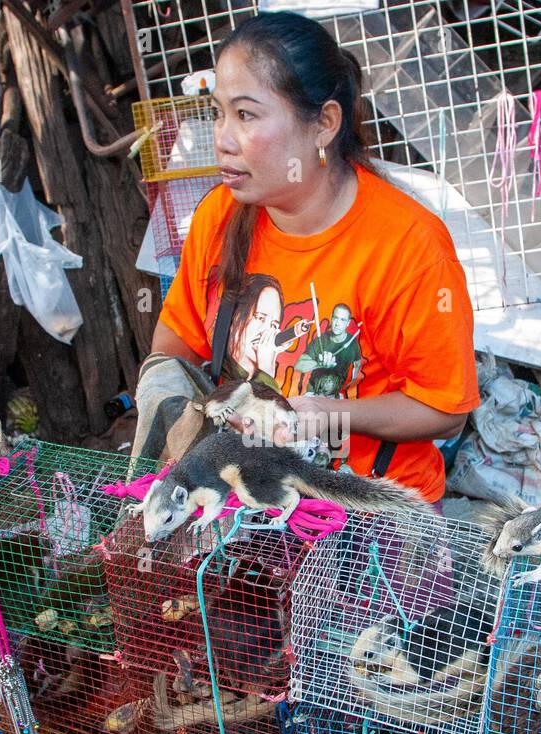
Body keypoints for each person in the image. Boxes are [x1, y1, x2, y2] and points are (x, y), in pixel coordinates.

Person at [151, 11, 479, 504]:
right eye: (217, 112)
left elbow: (444, 408)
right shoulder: (219, 217)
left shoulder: (408, 245)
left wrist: (329, 415)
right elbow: (172, 348)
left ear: (323, 124)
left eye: (245, 114)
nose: (222, 137)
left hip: (370, 511)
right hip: (249, 496)